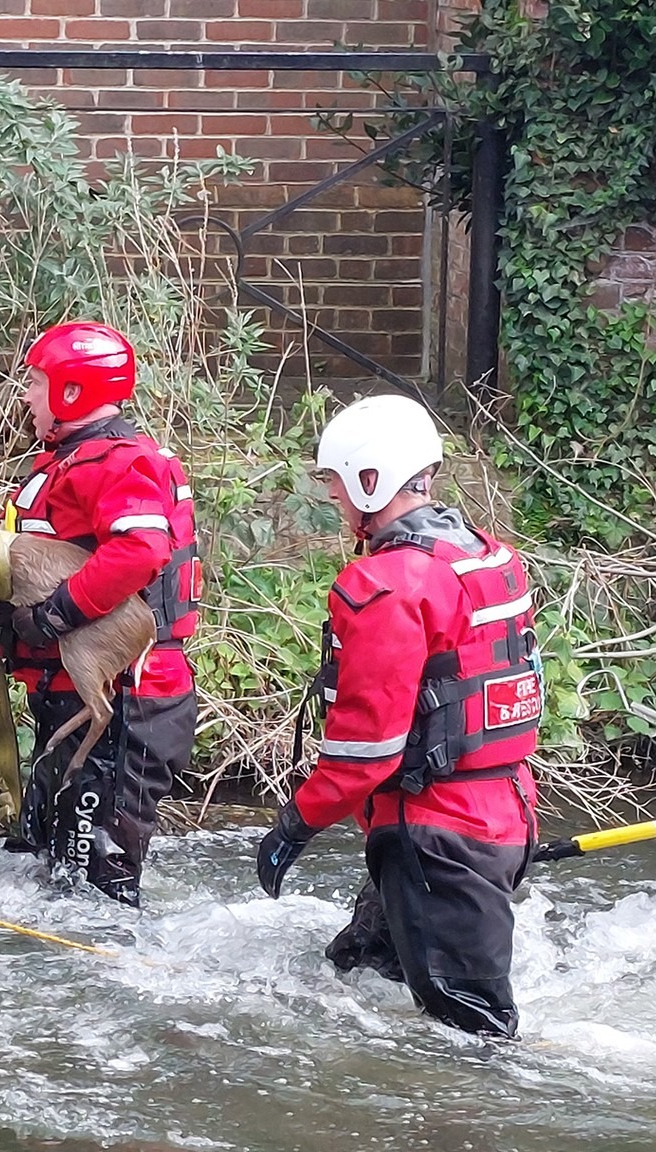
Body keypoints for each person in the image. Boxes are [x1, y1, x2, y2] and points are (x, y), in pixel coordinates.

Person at [256, 395, 541, 1038]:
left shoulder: (387, 586)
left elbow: (367, 748)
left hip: (437, 836)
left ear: (370, 479)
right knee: (353, 976)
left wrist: (294, 828)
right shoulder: (489, 557)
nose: (331, 495)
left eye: (335, 480)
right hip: (501, 815)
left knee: (473, 1041)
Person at [0, 320, 200, 907]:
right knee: (49, 880)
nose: (26, 396)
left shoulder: (116, 463)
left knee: (94, 901)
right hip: (78, 702)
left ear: (72, 391)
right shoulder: (71, 461)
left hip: (125, 703)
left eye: (36, 383)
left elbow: (141, 550)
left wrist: (53, 617)